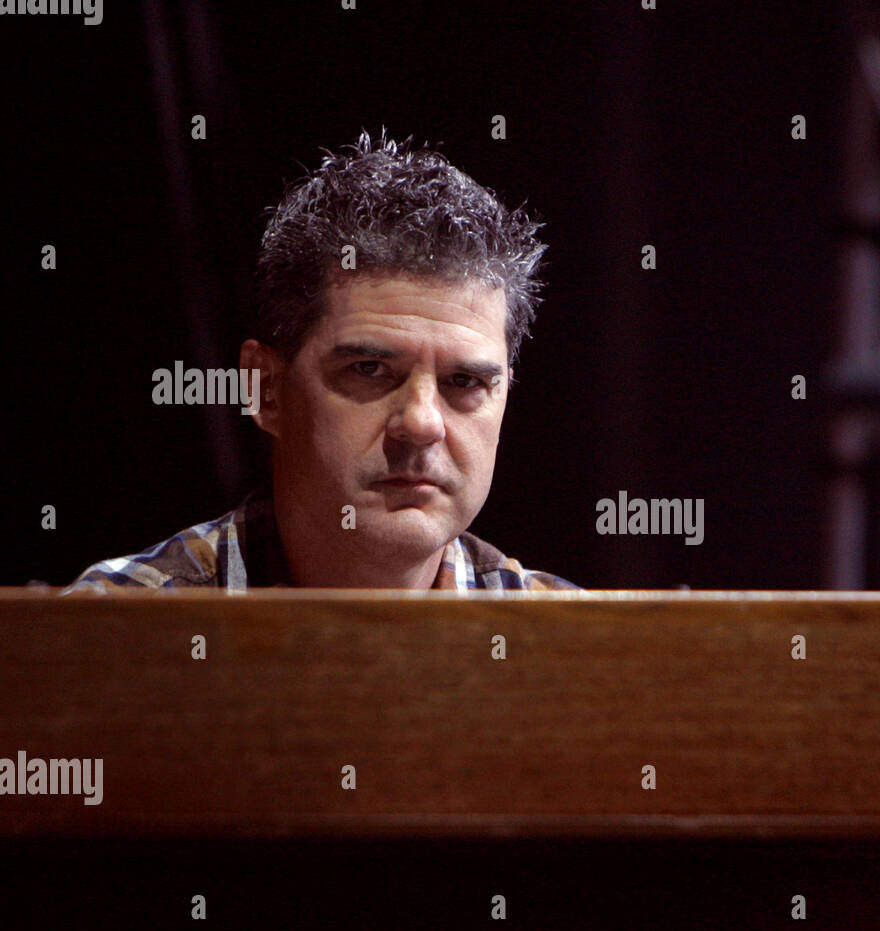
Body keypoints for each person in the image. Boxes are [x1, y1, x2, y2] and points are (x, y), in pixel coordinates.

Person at [64, 130, 578, 592]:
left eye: (464, 380)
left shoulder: (581, 655)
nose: (421, 423)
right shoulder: (110, 633)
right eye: (370, 369)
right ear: (265, 389)